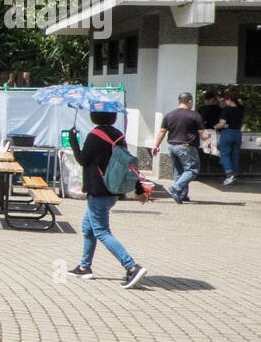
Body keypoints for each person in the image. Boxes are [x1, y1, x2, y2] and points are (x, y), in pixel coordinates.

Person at [66, 112, 148, 289]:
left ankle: (131, 267)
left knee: (102, 231)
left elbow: (82, 159)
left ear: (94, 117)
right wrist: (139, 189)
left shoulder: (94, 136)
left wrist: (73, 140)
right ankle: (84, 267)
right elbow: (128, 164)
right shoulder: (118, 135)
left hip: (98, 190)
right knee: (88, 228)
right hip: (112, 190)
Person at [151, 92, 206, 204]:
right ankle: (176, 188)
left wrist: (156, 145)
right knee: (192, 170)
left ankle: (181, 195)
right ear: (190, 101)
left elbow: (162, 131)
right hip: (187, 147)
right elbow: (202, 132)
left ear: (178, 101)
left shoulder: (169, 115)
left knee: (179, 171)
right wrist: (210, 143)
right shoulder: (194, 115)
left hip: (172, 147)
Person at [216, 91, 244, 187]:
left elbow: (222, 124)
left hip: (227, 133)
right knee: (235, 155)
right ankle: (235, 174)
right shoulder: (241, 109)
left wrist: (216, 126)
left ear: (228, 99)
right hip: (237, 134)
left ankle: (229, 175)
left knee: (225, 154)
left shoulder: (226, 110)